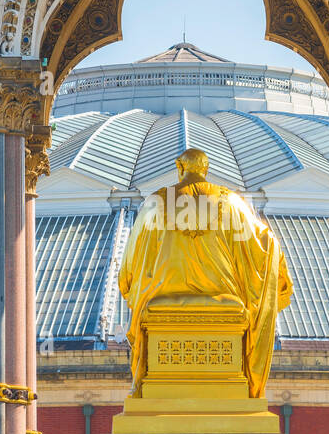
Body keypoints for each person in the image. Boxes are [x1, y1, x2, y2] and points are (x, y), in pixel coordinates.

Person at [119, 147, 291, 398]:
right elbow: (263, 244)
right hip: (227, 310)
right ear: (206, 170)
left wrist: (134, 287)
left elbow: (130, 266)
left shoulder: (155, 203)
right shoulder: (231, 202)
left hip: (160, 310)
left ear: (180, 169)